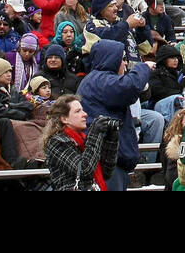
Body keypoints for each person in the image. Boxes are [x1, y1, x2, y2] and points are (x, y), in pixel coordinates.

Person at [77, 39, 154, 191]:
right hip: (106, 163)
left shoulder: (97, 79)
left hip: (113, 162)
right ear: (111, 60)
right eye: (122, 59)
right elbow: (129, 87)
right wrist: (143, 68)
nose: (125, 64)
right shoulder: (99, 80)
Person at [42, 94, 122, 191]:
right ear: (64, 119)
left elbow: (106, 172)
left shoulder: (84, 139)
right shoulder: (56, 142)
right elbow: (84, 170)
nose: (85, 114)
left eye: (82, 110)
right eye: (77, 111)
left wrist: (111, 138)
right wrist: (95, 133)